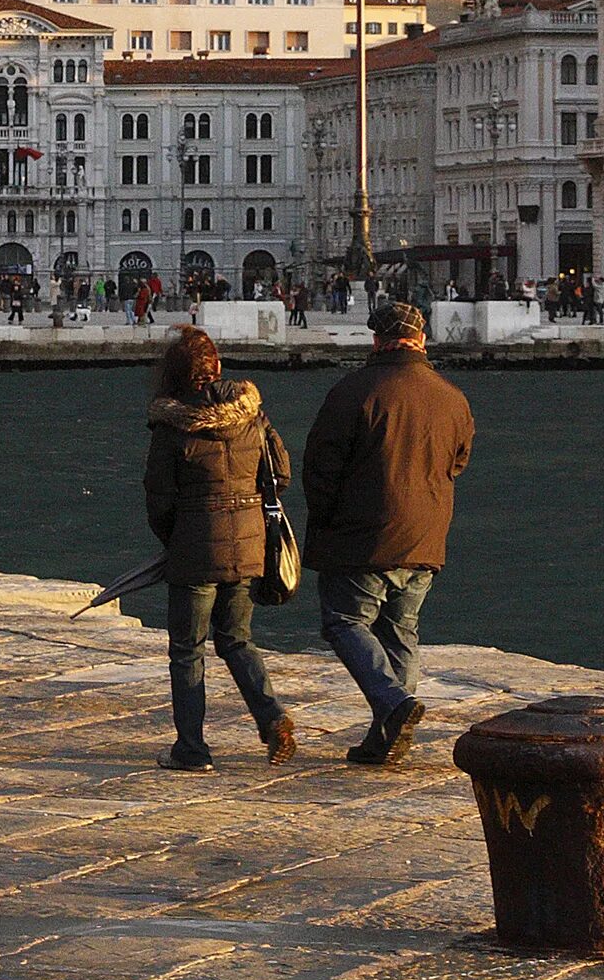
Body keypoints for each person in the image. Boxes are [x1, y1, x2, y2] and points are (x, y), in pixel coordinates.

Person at [301, 302, 473, 767]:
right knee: (401, 633)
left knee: (344, 622)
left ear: (376, 341)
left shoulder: (353, 392)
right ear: (422, 341)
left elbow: (320, 468)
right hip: (425, 536)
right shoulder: (452, 397)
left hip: (363, 535)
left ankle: (393, 703)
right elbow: (458, 463)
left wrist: (325, 520)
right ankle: (385, 738)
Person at [143, 326, 295, 772]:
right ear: (218, 368)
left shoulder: (172, 425)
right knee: (236, 640)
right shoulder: (253, 416)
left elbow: (159, 499)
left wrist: (174, 540)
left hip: (193, 550)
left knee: (188, 649)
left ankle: (192, 749)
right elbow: (281, 473)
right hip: (249, 545)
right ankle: (272, 717)